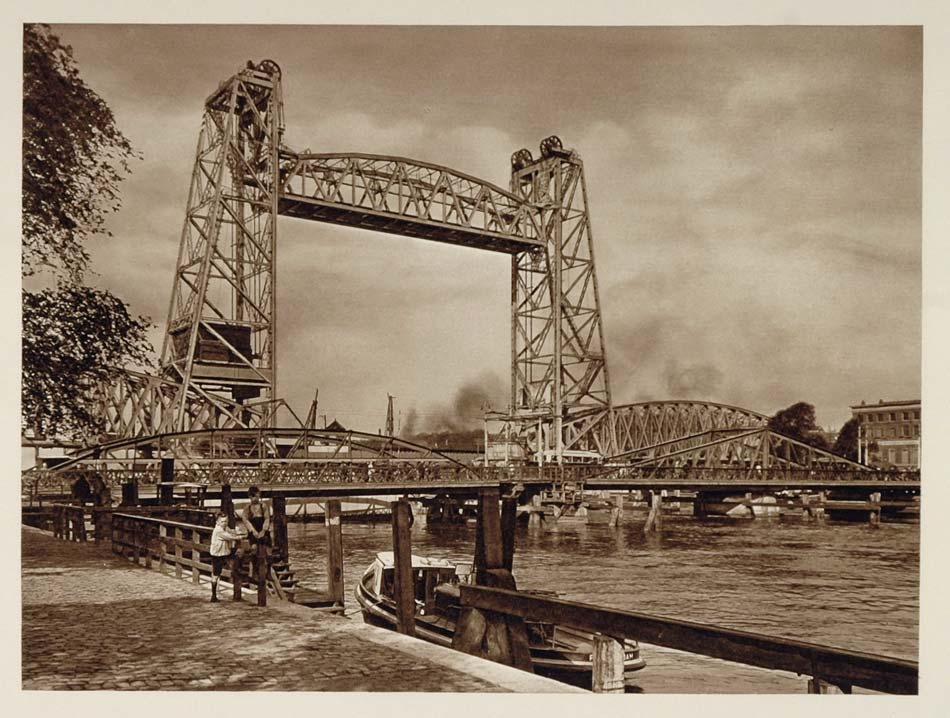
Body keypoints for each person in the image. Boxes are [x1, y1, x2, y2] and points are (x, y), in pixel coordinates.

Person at [210, 510, 244, 603]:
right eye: (222, 522)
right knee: (216, 575)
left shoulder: (224, 527)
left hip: (225, 552)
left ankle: (238, 568)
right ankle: (213, 595)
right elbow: (230, 537)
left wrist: (236, 531)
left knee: (237, 556)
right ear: (217, 522)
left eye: (226, 521)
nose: (224, 523)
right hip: (217, 555)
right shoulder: (218, 530)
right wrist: (241, 537)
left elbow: (231, 531)